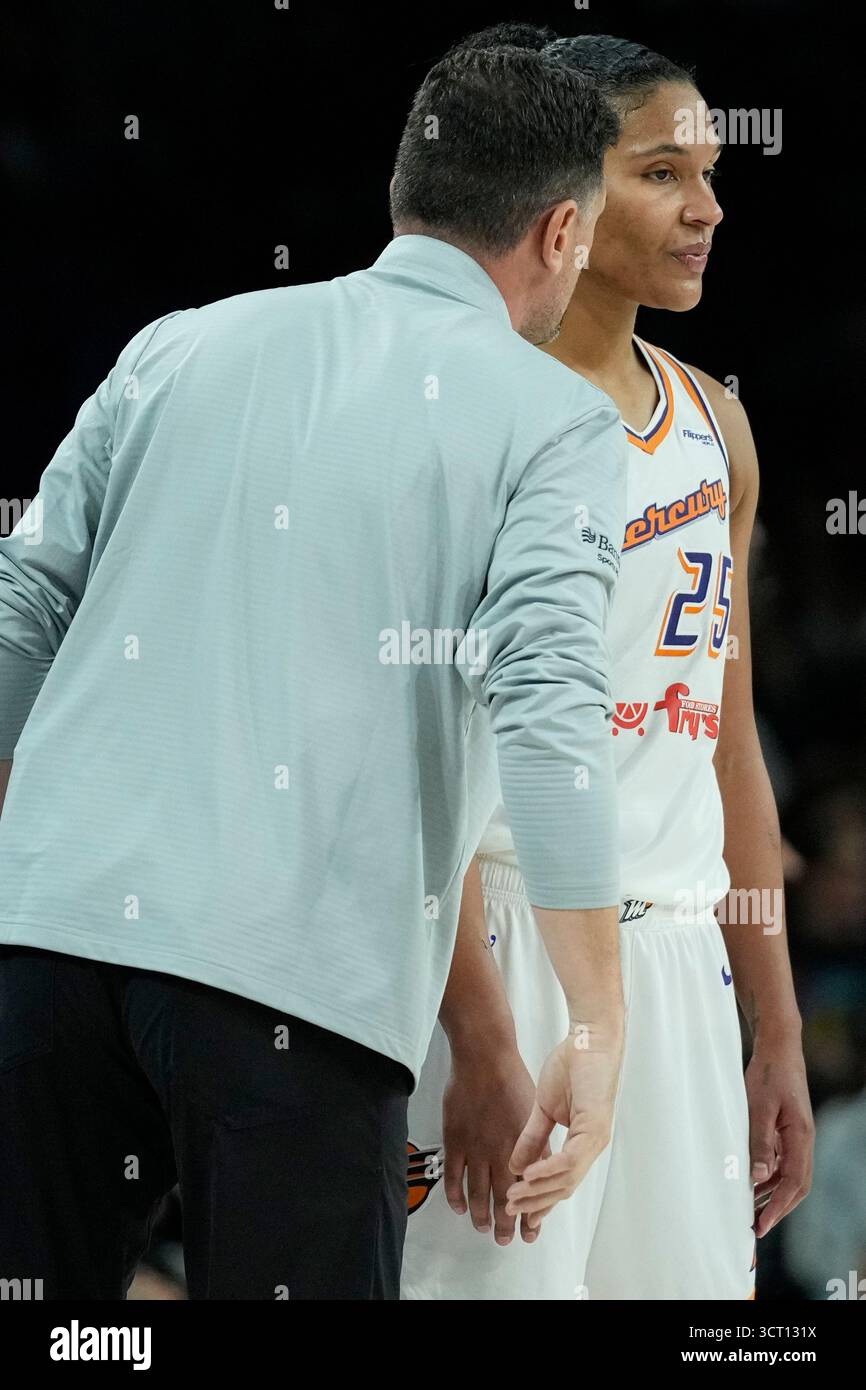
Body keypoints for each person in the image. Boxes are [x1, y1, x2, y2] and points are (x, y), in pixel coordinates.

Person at [0, 45, 630, 1299]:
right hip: (292, 994)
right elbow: (549, 712)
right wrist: (598, 1021)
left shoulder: (179, 344)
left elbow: (21, 614)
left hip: (46, 949)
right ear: (562, 230)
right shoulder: (555, 419)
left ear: (407, 189)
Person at [402, 27, 814, 1301]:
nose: (707, 206)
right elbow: (415, 740)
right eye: (661, 173)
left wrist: (774, 1029)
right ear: (562, 200)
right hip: (505, 941)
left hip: (683, 956)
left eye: (706, 171)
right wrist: (474, 1027)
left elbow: (723, 743)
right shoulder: (460, 413)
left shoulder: (714, 424)